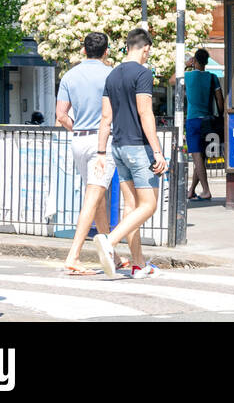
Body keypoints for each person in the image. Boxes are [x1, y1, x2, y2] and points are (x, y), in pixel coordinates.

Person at [56, 32, 142, 276]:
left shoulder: (69, 76)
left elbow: (61, 115)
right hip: (102, 142)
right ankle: (73, 256)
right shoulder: (111, 75)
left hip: (79, 140)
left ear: (84, 50)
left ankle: (112, 255)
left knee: (99, 199)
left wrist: (78, 127)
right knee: (93, 197)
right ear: (106, 52)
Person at [93, 28, 168, 279]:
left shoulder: (112, 75)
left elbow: (106, 117)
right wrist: (157, 151)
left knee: (131, 207)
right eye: (149, 51)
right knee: (149, 205)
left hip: (118, 146)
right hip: (139, 147)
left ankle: (138, 264)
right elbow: (146, 113)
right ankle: (109, 241)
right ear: (145, 48)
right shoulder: (143, 74)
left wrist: (102, 151)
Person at [185, 48, 224, 202]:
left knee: (196, 157)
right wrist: (220, 115)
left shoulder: (188, 76)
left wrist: (186, 65)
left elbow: (172, 80)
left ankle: (206, 190)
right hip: (208, 121)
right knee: (201, 157)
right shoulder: (212, 77)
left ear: (195, 60)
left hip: (193, 120)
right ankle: (191, 190)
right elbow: (220, 100)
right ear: (207, 62)